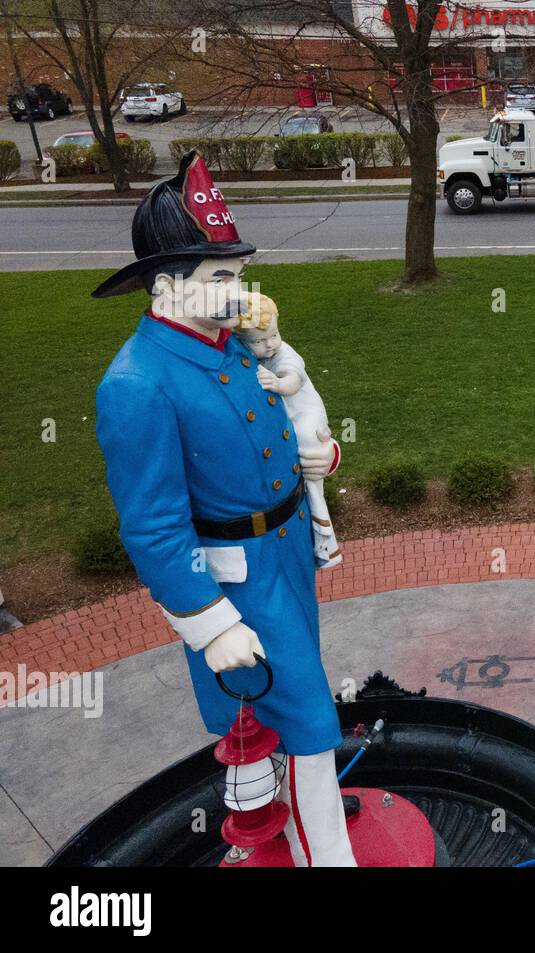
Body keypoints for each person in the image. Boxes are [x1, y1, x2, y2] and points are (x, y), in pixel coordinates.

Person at [92, 151, 354, 866]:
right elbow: (152, 523)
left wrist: (313, 455)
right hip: (234, 580)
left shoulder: (234, 344)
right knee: (305, 720)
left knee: (264, 713)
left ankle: (268, 820)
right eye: (222, 278)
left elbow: (280, 423)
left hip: (285, 553)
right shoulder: (137, 384)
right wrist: (209, 624)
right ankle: (325, 851)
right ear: (170, 287)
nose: (241, 291)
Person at [235, 293, 342, 569]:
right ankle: (321, 533)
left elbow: (293, 380)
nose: (270, 345)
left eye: (274, 335)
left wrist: (278, 383)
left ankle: (322, 531)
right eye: (259, 341)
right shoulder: (237, 355)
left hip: (305, 415)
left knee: (310, 461)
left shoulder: (284, 354)